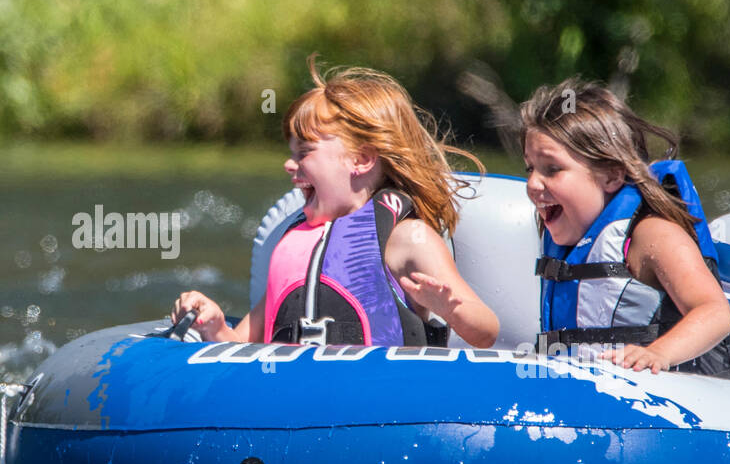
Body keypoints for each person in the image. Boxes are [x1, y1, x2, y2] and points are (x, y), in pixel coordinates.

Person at [172, 60, 499, 348]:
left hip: (379, 409)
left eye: (304, 153)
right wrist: (215, 327)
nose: (289, 165)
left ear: (362, 159)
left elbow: (486, 332)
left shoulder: (407, 239)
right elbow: (243, 345)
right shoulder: (291, 245)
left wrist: (449, 308)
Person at [520, 79, 730, 380]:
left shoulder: (652, 235)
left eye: (552, 169)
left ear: (612, 176)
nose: (532, 184)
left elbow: (716, 313)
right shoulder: (564, 241)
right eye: (529, 168)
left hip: (674, 409)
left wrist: (658, 353)